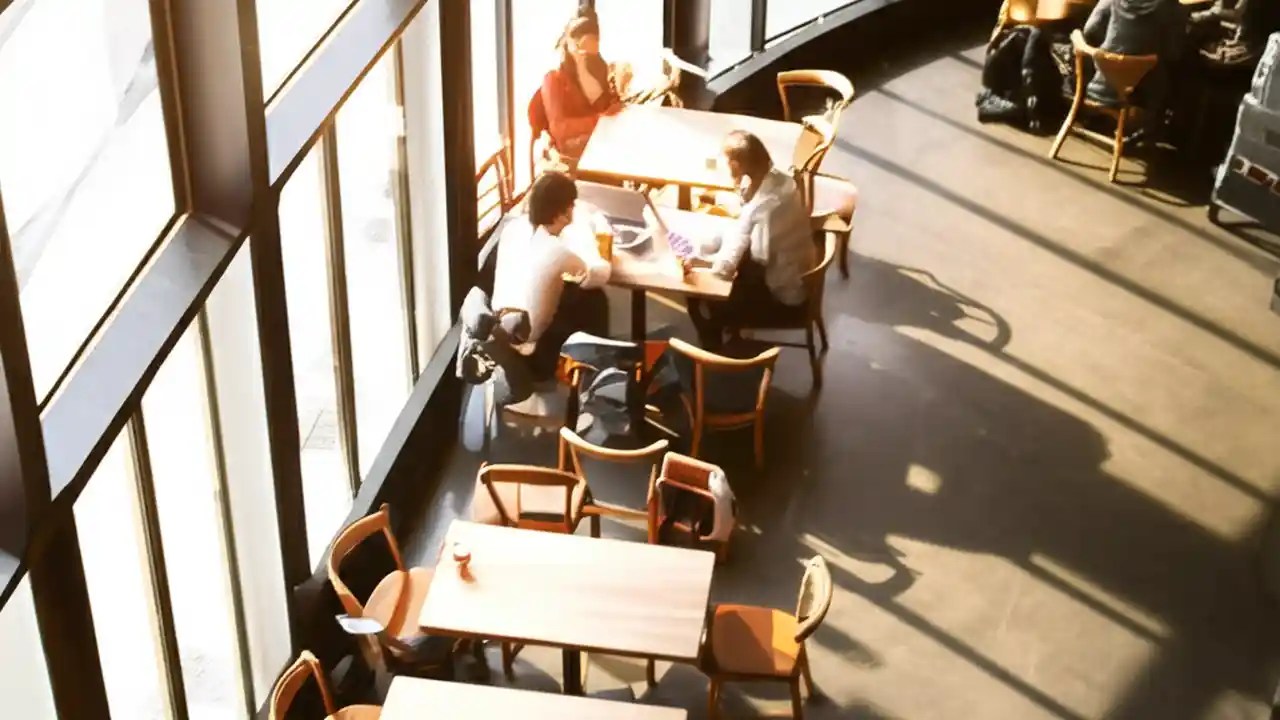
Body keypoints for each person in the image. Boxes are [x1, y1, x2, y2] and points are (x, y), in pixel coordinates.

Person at [687, 130, 816, 350]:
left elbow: (730, 266)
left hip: (783, 298)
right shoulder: (782, 181)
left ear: (736, 165)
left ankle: (713, 348)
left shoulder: (762, 208)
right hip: (798, 275)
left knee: (697, 294)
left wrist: (699, 262)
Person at [491, 171, 610, 383]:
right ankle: (595, 373)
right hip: (531, 352)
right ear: (562, 213)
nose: (575, 208)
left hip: (503, 331)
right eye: (572, 205)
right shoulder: (557, 252)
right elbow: (597, 275)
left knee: (571, 294)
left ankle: (592, 365)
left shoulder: (514, 228)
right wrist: (599, 254)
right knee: (596, 300)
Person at [1082, 0, 1187, 140]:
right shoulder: (1173, 8)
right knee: (1176, 70)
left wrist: (1114, 52)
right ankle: (1154, 129)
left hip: (1096, 86)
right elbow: (1173, 54)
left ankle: (1093, 116)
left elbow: (1090, 30)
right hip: (1135, 96)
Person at [540, 4, 625, 160]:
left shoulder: (591, 67)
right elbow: (560, 129)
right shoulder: (554, 78)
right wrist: (599, 119)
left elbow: (601, 105)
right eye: (590, 40)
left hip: (596, 137)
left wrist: (617, 93)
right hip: (569, 150)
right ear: (574, 43)